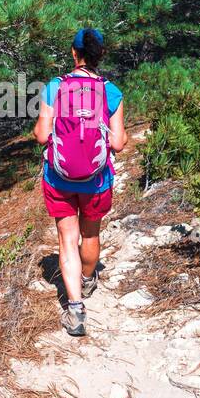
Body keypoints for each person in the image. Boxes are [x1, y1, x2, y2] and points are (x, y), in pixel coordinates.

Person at [33, 28, 127, 336]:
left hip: (58, 178)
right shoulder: (111, 91)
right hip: (96, 179)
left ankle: (74, 310)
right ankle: (87, 280)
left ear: (75, 54)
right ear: (101, 56)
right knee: (90, 234)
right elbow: (119, 143)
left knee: (66, 240)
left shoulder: (55, 87)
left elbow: (41, 135)